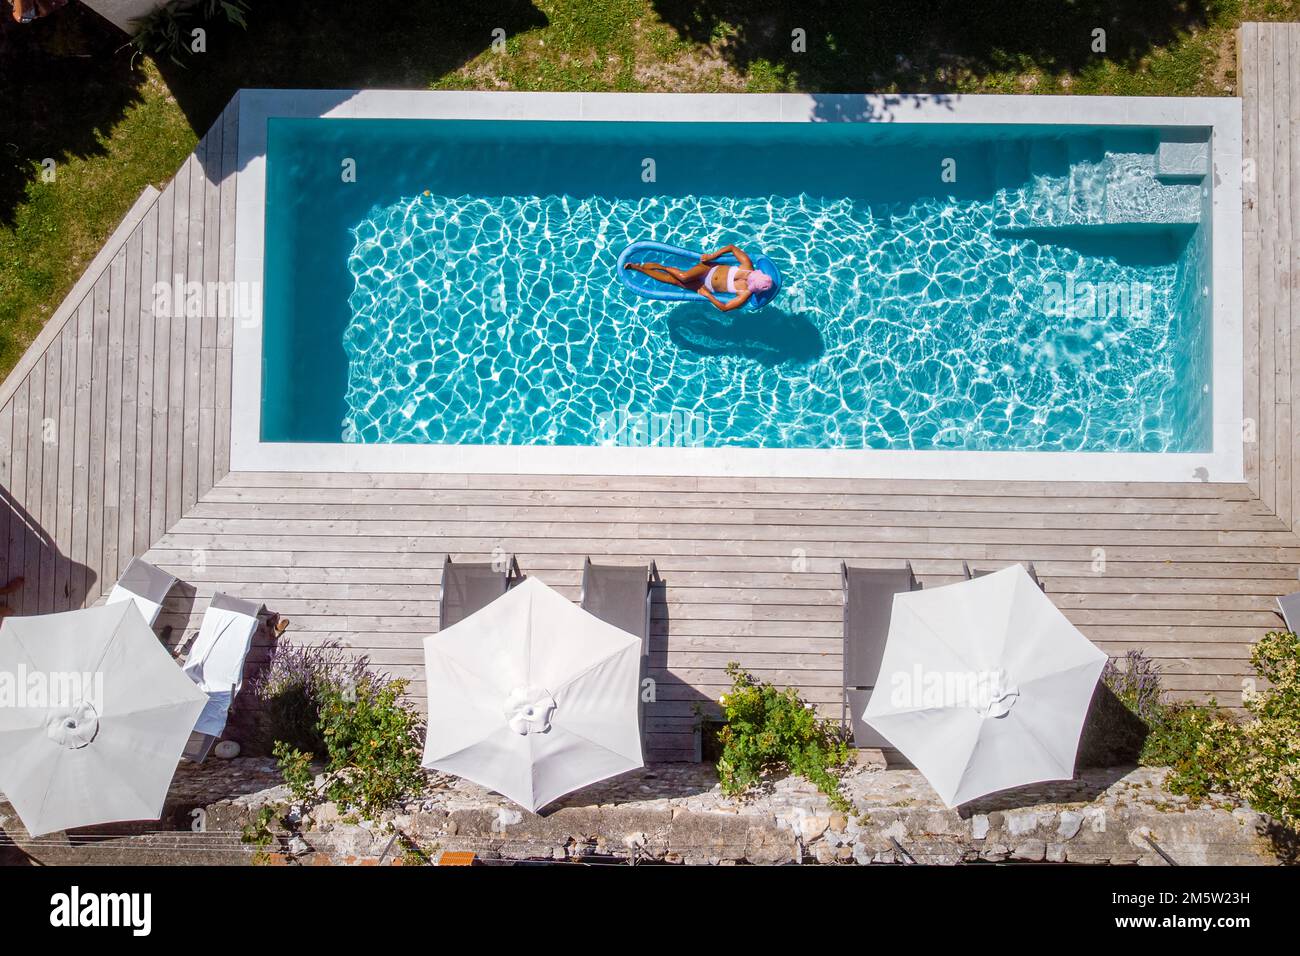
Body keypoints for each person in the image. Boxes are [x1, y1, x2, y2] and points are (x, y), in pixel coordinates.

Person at [624, 243, 773, 312]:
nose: (748, 281)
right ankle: (662, 267)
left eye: (750, 283)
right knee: (684, 276)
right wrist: (712, 256)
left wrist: (708, 295)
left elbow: (725, 308)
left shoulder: (745, 294)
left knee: (672, 280)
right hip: (707, 269)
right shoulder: (747, 266)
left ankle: (638, 268)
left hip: (705, 288)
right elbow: (732, 247)